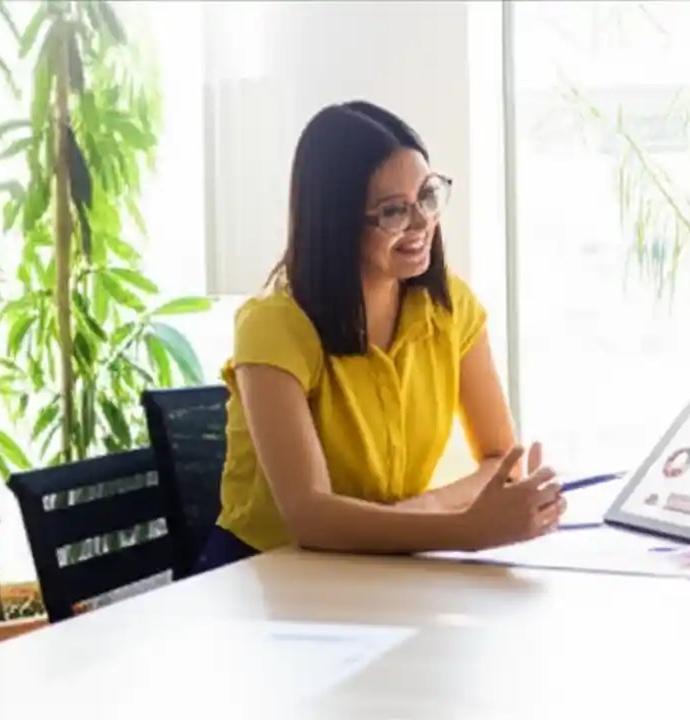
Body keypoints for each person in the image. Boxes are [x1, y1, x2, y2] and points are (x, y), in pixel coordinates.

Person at [196, 101, 564, 572]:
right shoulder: (274, 325)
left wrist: (417, 515)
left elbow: (502, 460)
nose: (421, 223)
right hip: (268, 574)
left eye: (428, 197)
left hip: (379, 562)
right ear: (336, 222)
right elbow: (310, 516)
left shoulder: (449, 305)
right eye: (393, 212)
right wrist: (467, 529)